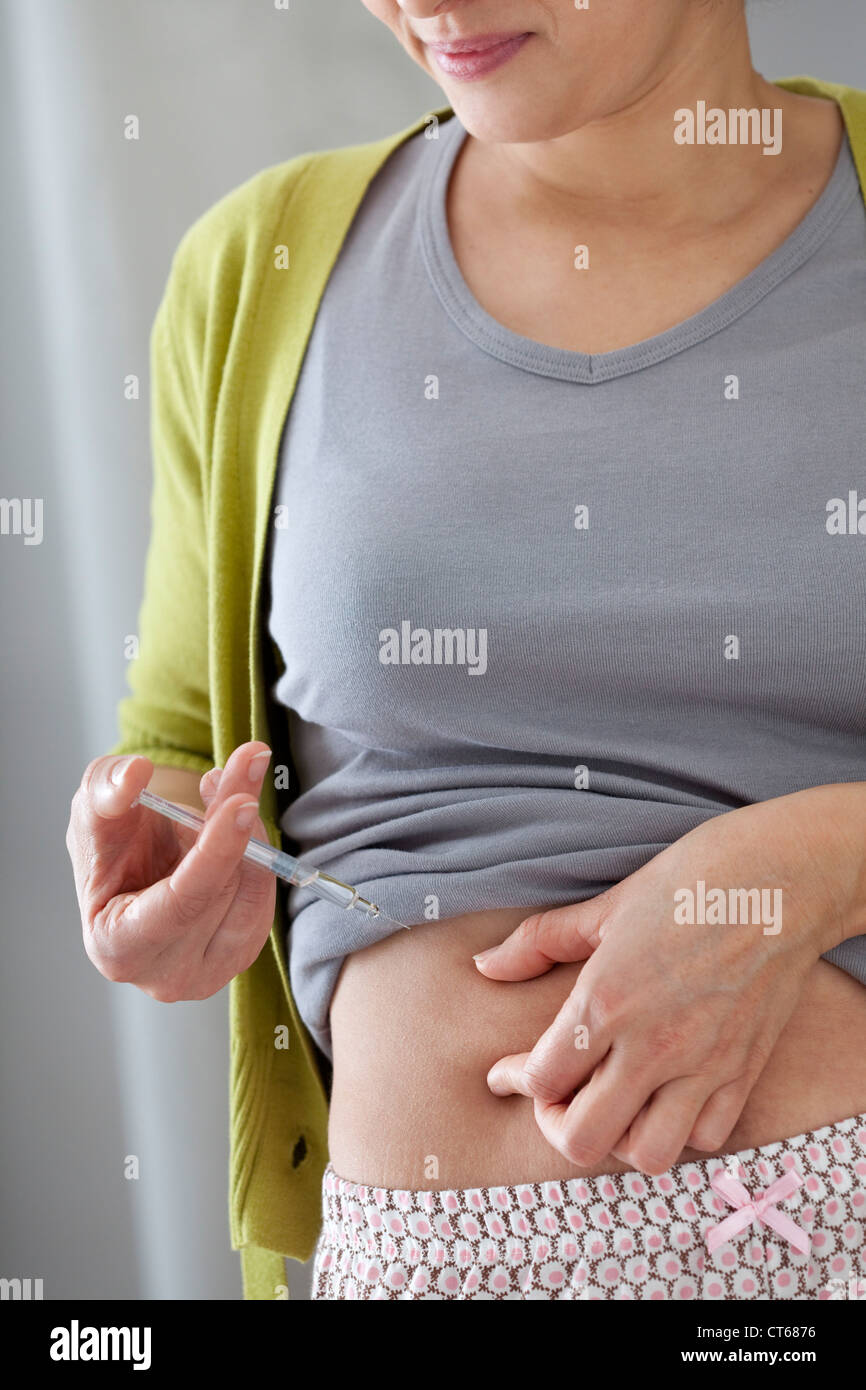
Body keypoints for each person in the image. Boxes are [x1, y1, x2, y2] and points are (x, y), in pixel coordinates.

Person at [67, 0, 866, 1300]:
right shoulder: (255, 268)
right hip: (419, 1263)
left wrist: (807, 869)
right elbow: (178, 747)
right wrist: (157, 856)